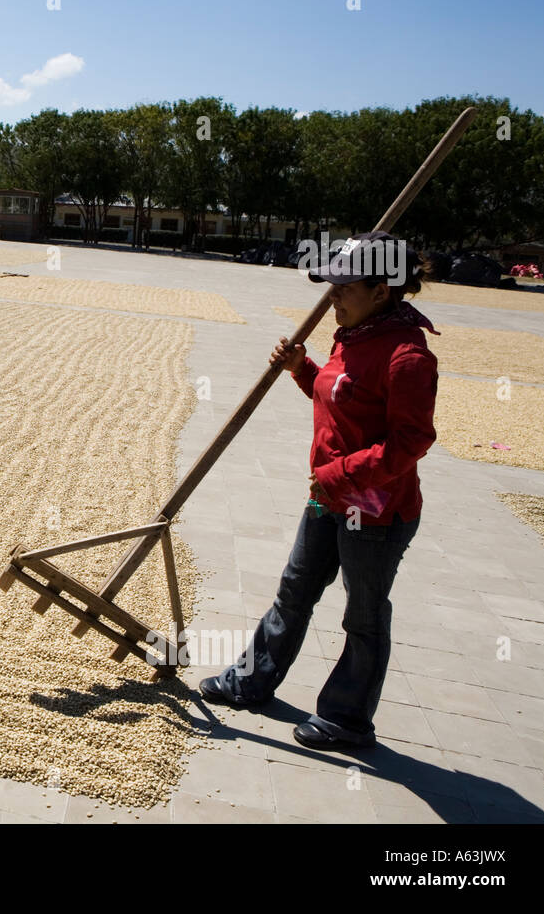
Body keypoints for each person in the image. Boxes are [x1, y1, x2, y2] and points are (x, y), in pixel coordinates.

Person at [200, 232, 438, 750]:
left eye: (344, 287)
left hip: (376, 512)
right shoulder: (351, 334)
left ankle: (347, 720)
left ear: (381, 291)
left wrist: (338, 475)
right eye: (330, 285)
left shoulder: (407, 355)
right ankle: (251, 681)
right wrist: (301, 369)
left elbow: (411, 441)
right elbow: (339, 398)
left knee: (364, 615)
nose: (332, 296)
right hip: (328, 501)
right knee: (295, 591)